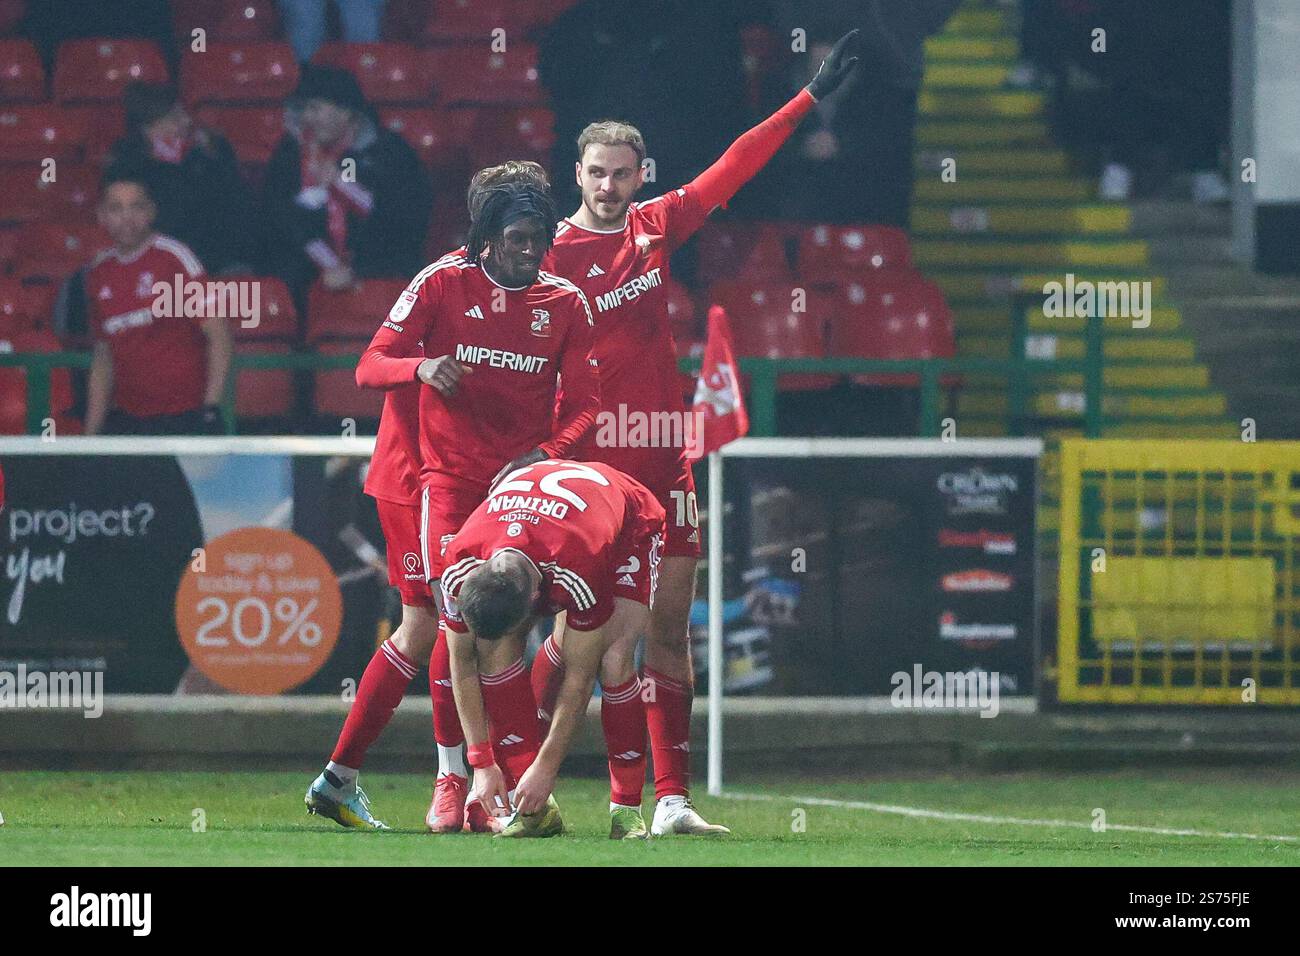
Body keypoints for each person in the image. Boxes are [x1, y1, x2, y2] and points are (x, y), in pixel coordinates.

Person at [536, 29, 860, 837]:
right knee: (591, 644)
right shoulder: (544, 258)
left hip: (664, 463)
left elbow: (737, 162)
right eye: (598, 173)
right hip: (587, 476)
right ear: (576, 175)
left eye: (623, 173)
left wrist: (809, 97)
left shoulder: (656, 226)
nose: (610, 186)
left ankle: (670, 801)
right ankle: (508, 770)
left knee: (668, 632)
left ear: (641, 175)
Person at [305, 167, 600, 831]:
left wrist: (546, 458)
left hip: (510, 489)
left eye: (540, 234)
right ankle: (457, 780)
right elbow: (371, 365)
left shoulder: (560, 301)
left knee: (469, 627)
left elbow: (584, 403)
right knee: (446, 624)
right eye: (518, 233)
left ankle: (382, 778)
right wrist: (419, 367)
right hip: (421, 478)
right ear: (486, 231)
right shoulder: (442, 282)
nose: (533, 247)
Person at [440, 458, 666, 839]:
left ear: (534, 601)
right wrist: (481, 762)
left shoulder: (577, 566)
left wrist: (547, 767)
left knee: (613, 660)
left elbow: (579, 680)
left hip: (630, 519)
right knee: (514, 654)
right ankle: (532, 808)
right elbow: (462, 663)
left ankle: (627, 809)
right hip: (554, 518)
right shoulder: (461, 564)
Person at [262, 65, 430, 301]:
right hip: (305, 277)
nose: (307, 118)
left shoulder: (390, 153)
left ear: (346, 112)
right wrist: (328, 264)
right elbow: (278, 215)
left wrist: (340, 184)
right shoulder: (291, 153)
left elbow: (404, 220)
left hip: (379, 273)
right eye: (304, 109)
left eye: (315, 108)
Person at [84, 169, 232, 436]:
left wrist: (211, 409)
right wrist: (91, 435)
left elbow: (219, 334)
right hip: (130, 420)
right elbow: (103, 357)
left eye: (136, 207)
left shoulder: (174, 258)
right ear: (102, 216)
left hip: (185, 418)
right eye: (116, 208)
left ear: (151, 212)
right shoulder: (98, 273)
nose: (127, 218)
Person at [108, 82, 256, 275]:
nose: (186, 122)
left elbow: (234, 203)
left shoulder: (202, 156)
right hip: (158, 264)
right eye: (174, 118)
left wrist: (216, 156)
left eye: (184, 115)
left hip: (215, 259)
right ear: (148, 127)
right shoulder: (126, 167)